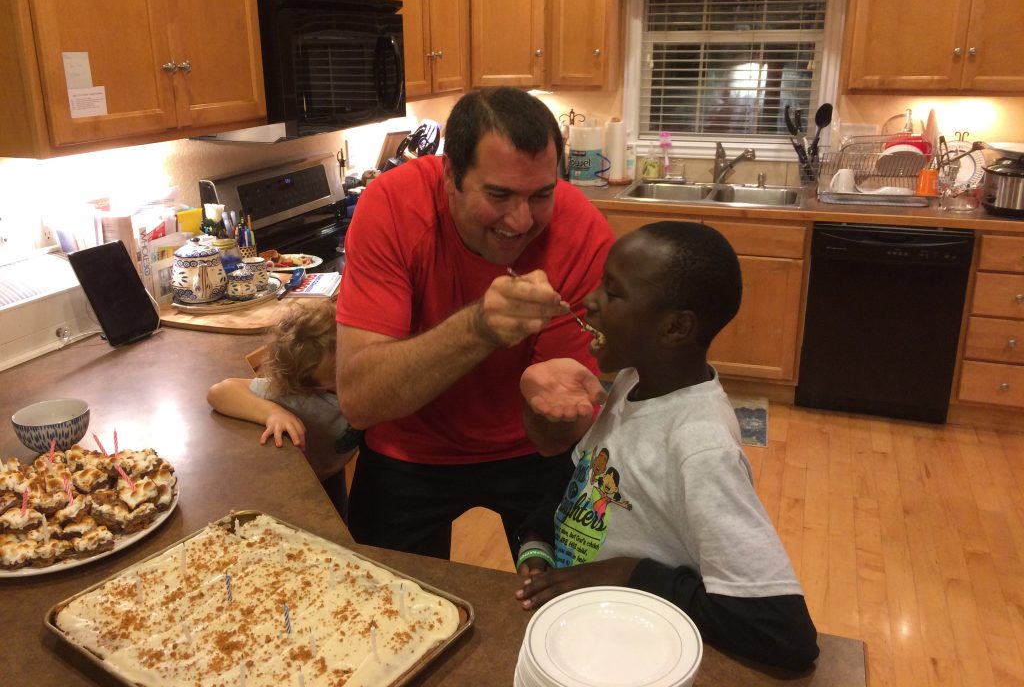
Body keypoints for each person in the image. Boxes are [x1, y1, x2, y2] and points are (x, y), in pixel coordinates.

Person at [514, 221, 819, 671]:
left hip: (637, 652)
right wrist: (538, 539)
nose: (589, 302)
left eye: (613, 293)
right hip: (586, 629)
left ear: (675, 326)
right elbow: (586, 480)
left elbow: (784, 635)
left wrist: (627, 574)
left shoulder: (701, 447)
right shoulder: (634, 381)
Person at [335, 87, 614, 559]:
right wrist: (479, 328)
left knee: (566, 604)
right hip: (407, 446)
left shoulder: (583, 231)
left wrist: (551, 408)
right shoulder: (393, 206)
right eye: (499, 194)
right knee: (386, 611)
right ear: (450, 176)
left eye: (542, 194)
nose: (522, 221)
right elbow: (360, 401)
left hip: (532, 453)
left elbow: (556, 439)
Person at [207, 299, 360, 519]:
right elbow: (219, 392)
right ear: (306, 384)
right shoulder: (293, 395)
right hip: (306, 480)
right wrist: (273, 412)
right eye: (337, 376)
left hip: (333, 469)